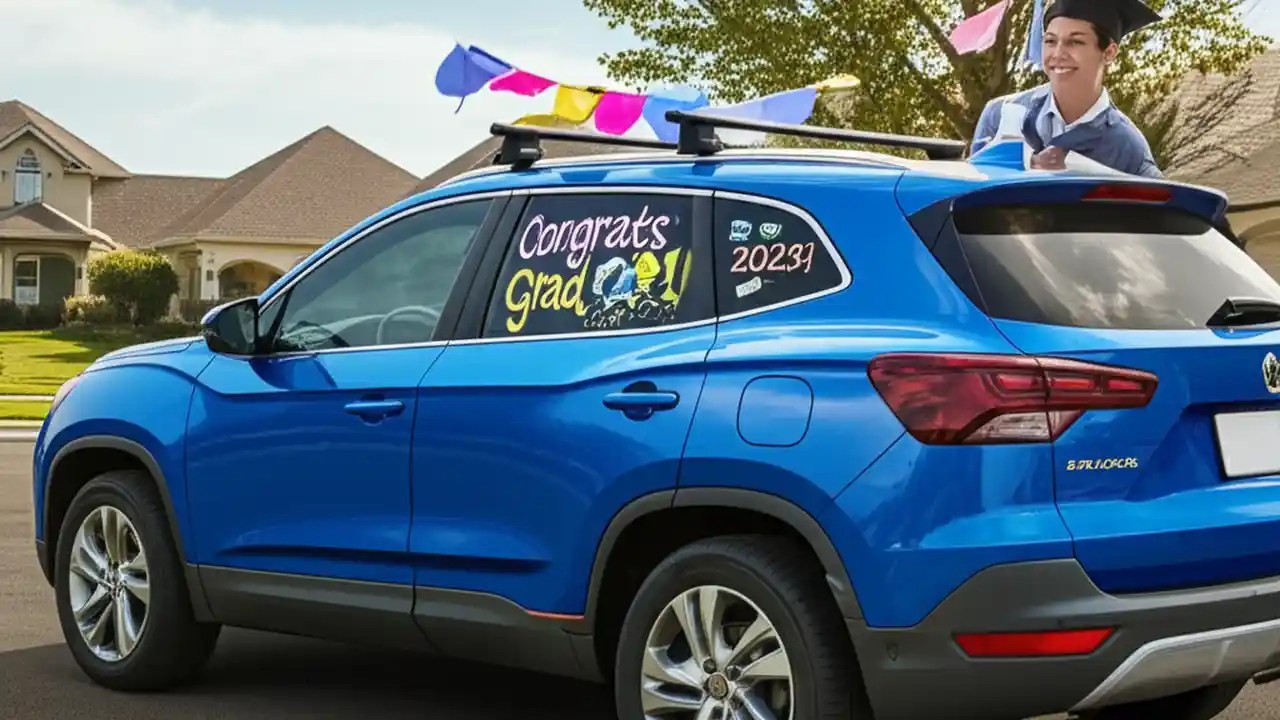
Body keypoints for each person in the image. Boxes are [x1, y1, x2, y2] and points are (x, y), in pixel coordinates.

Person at [970, 0, 1162, 177]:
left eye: (1075, 42)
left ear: (1109, 52)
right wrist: (1028, 163)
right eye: (1051, 41)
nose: (1058, 53)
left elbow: (1160, 212)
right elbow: (968, 195)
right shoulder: (999, 115)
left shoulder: (1127, 148)